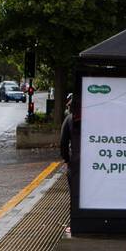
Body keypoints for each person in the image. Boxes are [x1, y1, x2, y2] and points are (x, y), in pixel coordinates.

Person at [58, 93, 76, 238]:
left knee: (74, 194)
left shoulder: (69, 120)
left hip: (75, 164)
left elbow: (63, 143)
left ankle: (75, 223)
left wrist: (67, 159)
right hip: (92, 164)